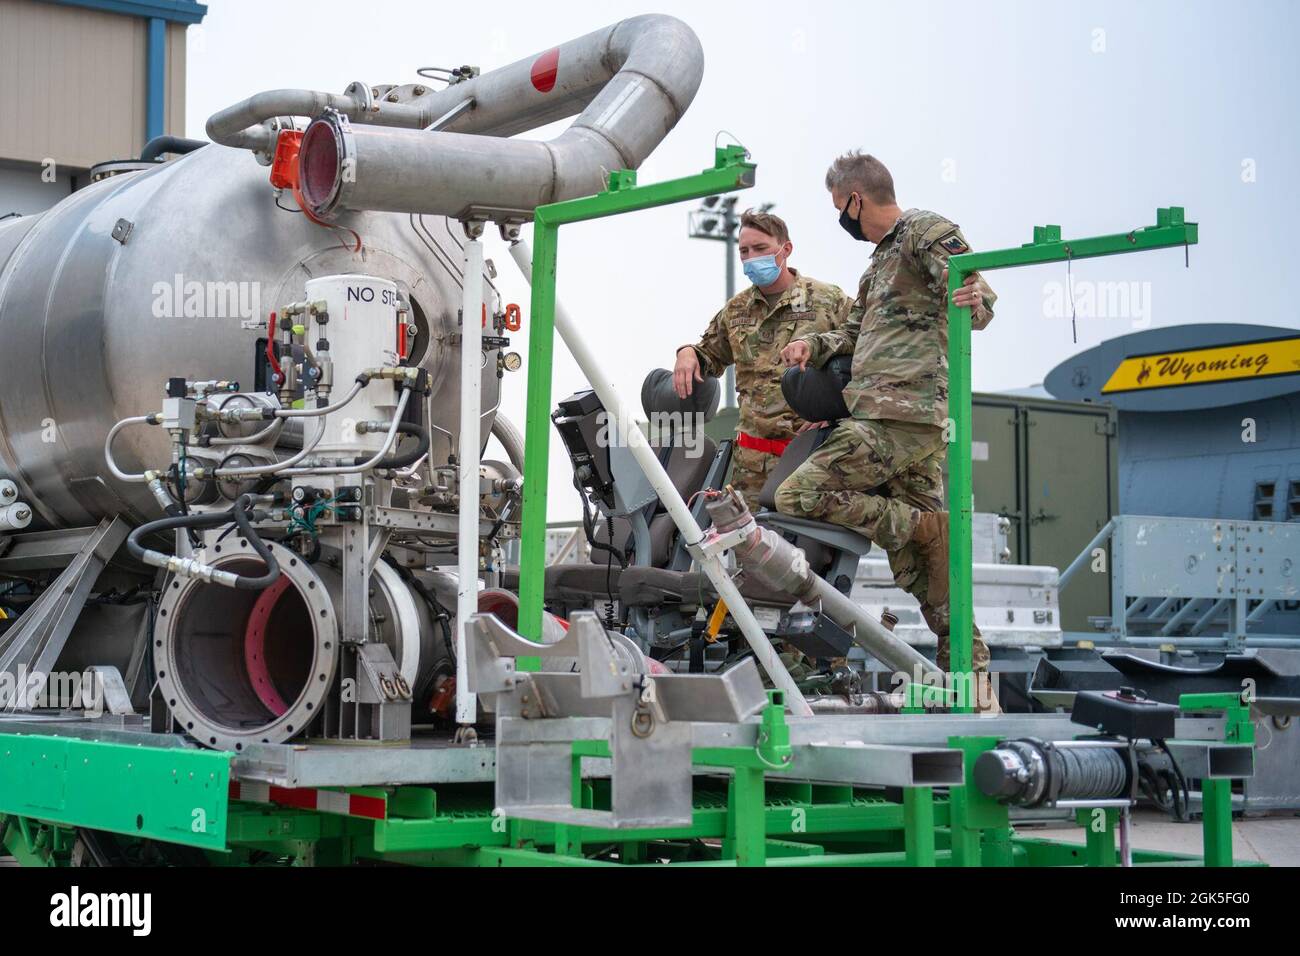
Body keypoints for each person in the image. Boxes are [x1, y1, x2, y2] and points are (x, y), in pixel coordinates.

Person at [776, 151, 999, 711]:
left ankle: (917, 527)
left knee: (798, 493)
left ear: (856, 198)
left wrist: (976, 297)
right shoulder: (877, 264)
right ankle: (975, 690)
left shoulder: (924, 230)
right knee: (934, 578)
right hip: (885, 415)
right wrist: (814, 346)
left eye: (838, 207)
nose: (840, 219)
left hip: (904, 413)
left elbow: (975, 291)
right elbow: (853, 330)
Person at [674, 210, 850, 512]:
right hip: (751, 466)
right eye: (744, 251)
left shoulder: (827, 300)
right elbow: (709, 355)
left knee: (806, 552)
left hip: (809, 457)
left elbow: (861, 351)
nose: (751, 257)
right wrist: (686, 353)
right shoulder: (737, 309)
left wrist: (841, 410)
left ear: (785, 249)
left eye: (760, 249)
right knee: (754, 550)